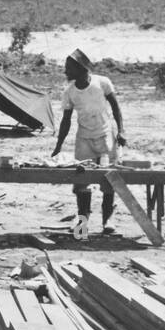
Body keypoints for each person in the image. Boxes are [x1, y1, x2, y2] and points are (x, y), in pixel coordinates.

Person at [51, 48, 127, 238]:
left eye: (69, 68)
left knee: (110, 177)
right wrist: (59, 145)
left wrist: (121, 131)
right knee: (82, 181)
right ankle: (82, 223)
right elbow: (66, 119)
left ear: (80, 68)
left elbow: (115, 107)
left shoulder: (102, 83)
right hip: (84, 137)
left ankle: (107, 220)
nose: (65, 72)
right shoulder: (69, 92)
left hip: (105, 135)